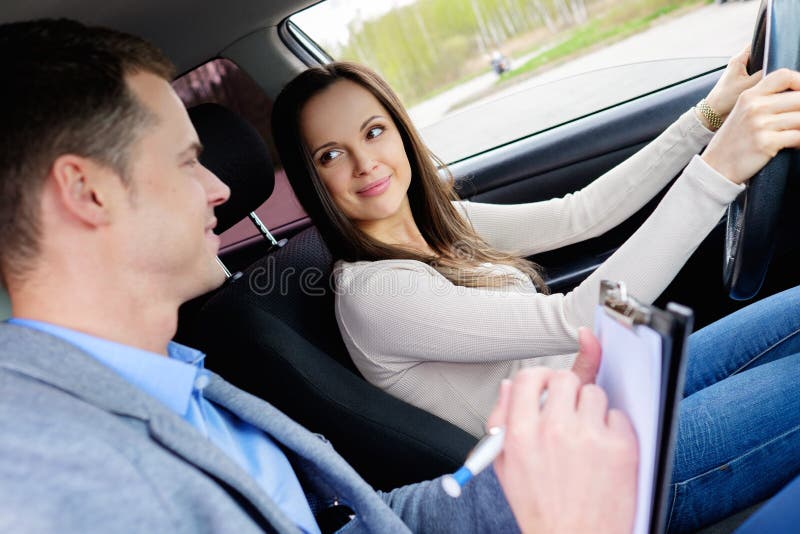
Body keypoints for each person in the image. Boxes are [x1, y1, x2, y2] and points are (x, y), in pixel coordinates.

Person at [0, 18, 643, 534]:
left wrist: (519, 491)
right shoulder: (57, 480)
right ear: (87, 193)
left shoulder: (184, 381)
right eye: (186, 161)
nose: (219, 188)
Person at [270, 60, 800, 532]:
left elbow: (581, 213)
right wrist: (720, 170)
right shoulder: (375, 291)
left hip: (613, 392)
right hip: (601, 472)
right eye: (331, 154)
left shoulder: (438, 225)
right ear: (312, 179)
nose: (365, 163)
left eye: (374, 131)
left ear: (400, 131)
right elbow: (577, 318)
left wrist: (708, 116)